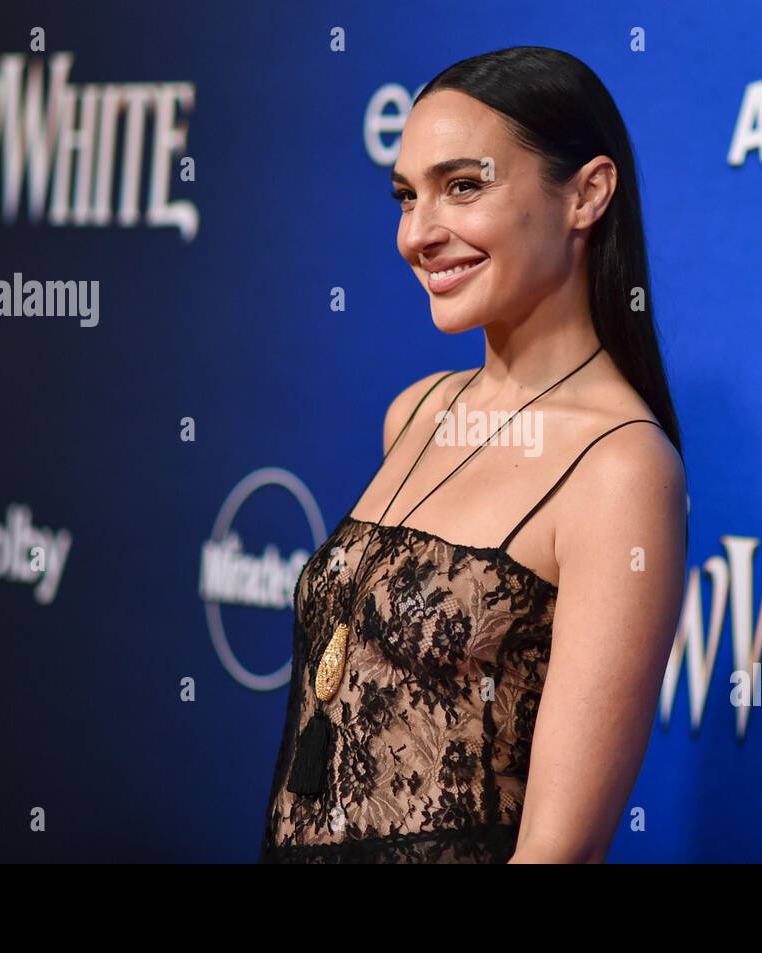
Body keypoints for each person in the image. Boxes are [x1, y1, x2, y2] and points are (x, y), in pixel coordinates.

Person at [259, 46, 687, 863]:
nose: (418, 233)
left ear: (587, 195)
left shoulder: (621, 471)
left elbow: (558, 851)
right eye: (406, 196)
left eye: (463, 186)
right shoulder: (413, 414)